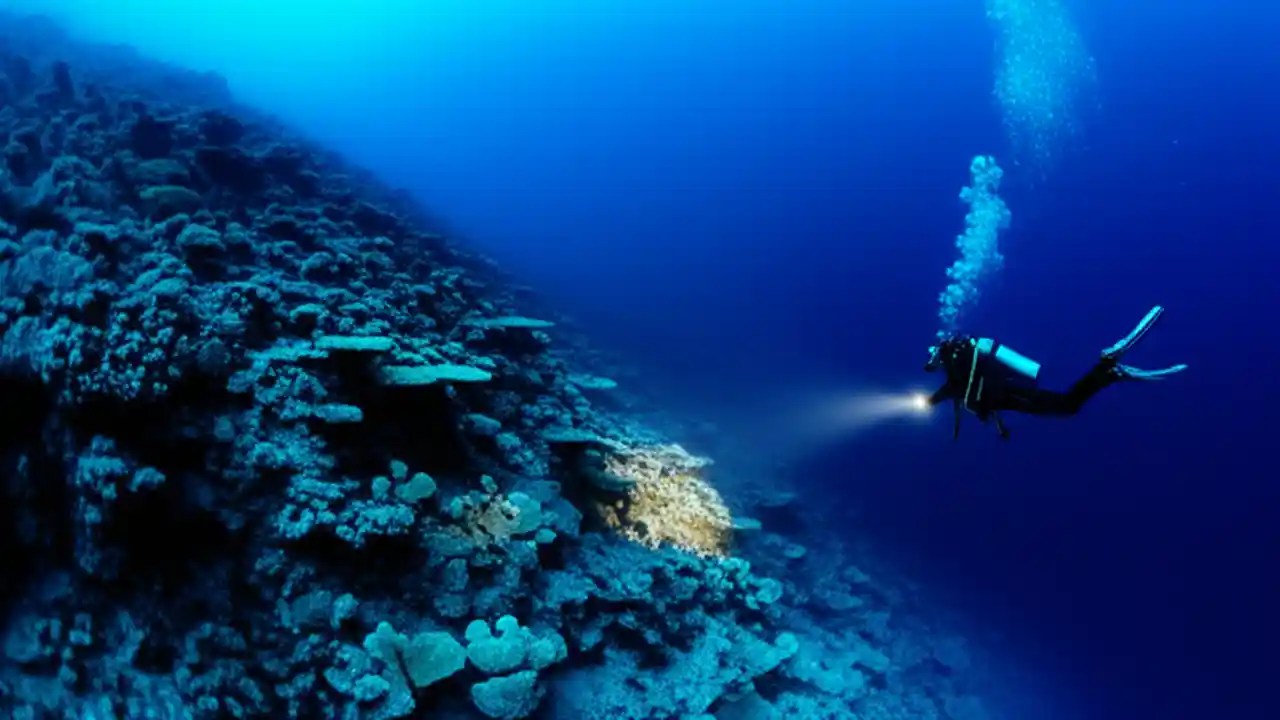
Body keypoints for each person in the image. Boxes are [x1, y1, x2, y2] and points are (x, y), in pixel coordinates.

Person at [924, 305, 1187, 440]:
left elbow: (966, 385)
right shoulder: (957, 370)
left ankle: (1107, 368)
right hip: (1008, 396)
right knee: (1067, 406)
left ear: (939, 352)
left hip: (1010, 394)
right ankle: (1108, 371)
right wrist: (930, 402)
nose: (933, 364)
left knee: (1067, 405)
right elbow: (954, 389)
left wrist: (964, 404)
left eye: (933, 359)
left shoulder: (957, 358)